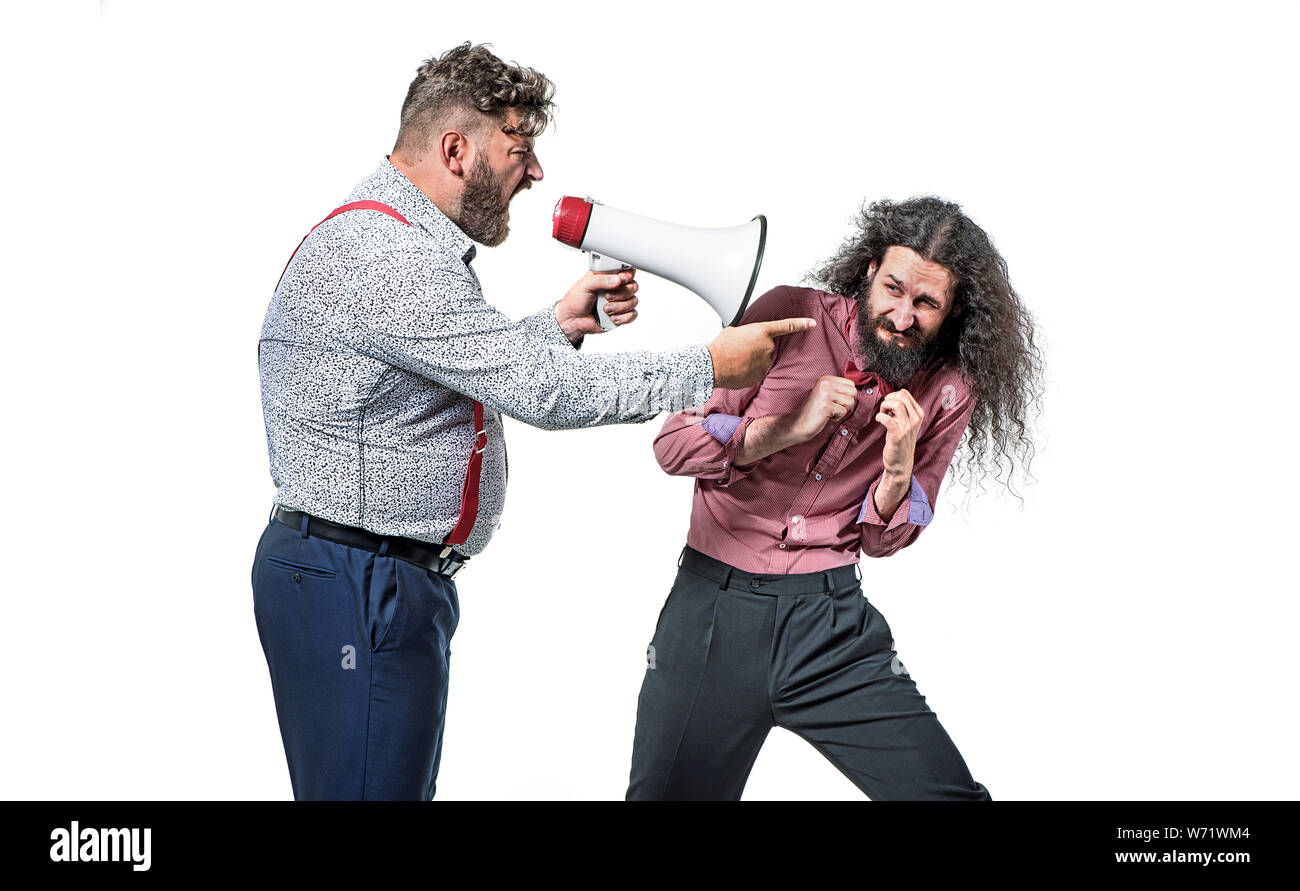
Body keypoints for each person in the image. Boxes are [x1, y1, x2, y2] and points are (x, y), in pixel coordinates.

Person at [252, 42, 813, 801]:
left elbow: (448, 368)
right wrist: (711, 366)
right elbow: (544, 396)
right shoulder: (389, 258)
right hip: (359, 583)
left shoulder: (390, 236)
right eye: (520, 147)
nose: (537, 172)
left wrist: (557, 324)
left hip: (367, 576)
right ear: (456, 149)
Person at [627, 196, 1045, 800]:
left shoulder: (950, 388)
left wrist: (898, 470)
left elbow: (881, 541)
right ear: (869, 269)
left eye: (926, 303)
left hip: (830, 627)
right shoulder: (785, 315)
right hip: (710, 615)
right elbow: (675, 445)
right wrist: (786, 428)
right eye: (894, 289)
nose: (902, 316)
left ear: (953, 311)